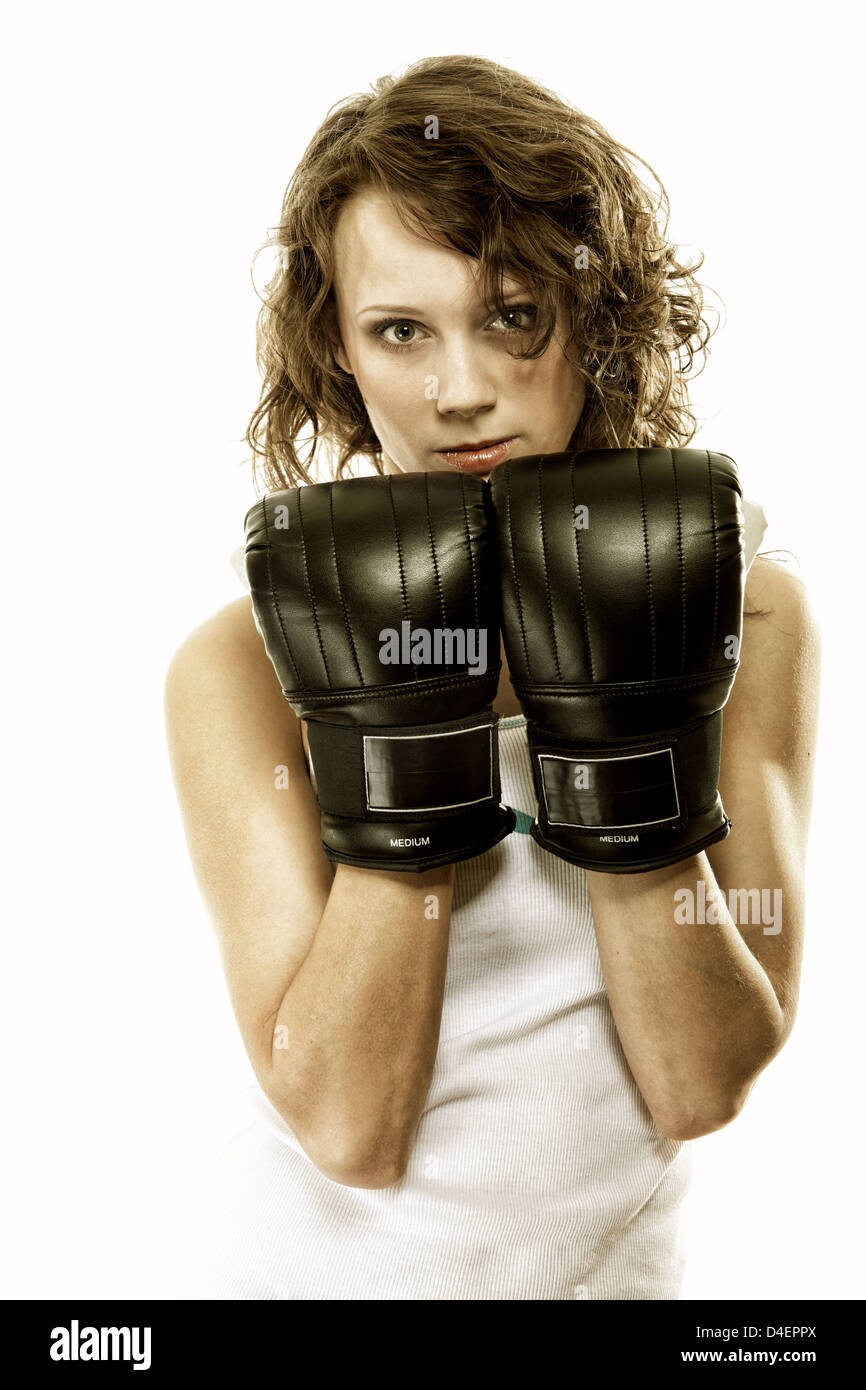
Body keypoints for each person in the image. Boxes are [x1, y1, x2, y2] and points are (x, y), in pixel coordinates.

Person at [162, 54, 821, 1300]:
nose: (460, 391)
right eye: (399, 329)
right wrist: (398, 726)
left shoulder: (747, 611)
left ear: (599, 316)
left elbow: (701, 1078)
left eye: (512, 314)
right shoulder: (239, 663)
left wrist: (620, 704)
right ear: (337, 351)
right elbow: (349, 1130)